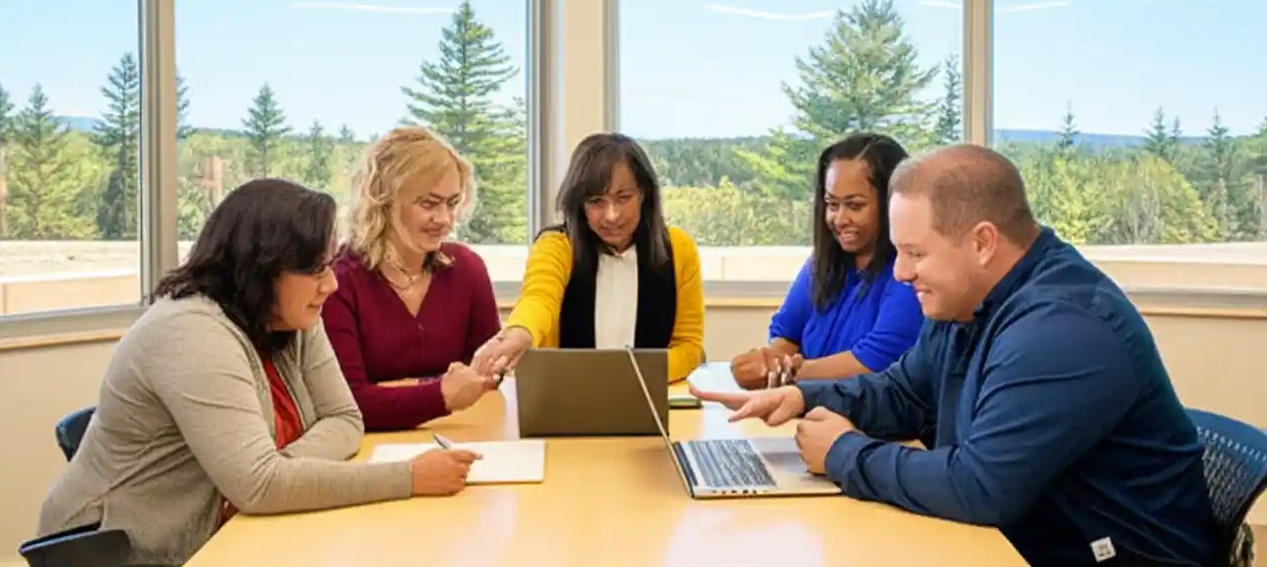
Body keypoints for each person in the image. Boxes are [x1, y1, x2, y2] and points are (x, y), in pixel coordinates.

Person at [692, 144, 1217, 567]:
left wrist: (843, 453)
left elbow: (980, 488)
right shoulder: (968, 303)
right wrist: (800, 396)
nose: (899, 272)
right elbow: (902, 392)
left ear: (983, 242)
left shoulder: (1063, 327)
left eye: (915, 253)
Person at [37, 180, 481, 566]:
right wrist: (408, 478)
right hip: (119, 551)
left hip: (222, 534)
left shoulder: (290, 314)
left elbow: (345, 420)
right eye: (315, 269)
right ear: (262, 269)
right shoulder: (190, 331)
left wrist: (275, 474)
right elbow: (259, 486)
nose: (331, 284)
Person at [474, 132, 704, 383]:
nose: (612, 215)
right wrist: (519, 333)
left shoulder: (679, 248)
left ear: (644, 194)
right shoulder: (556, 245)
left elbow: (689, 346)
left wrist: (628, 376)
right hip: (566, 399)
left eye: (623, 198)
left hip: (651, 399)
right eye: (596, 201)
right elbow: (539, 299)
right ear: (579, 204)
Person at [323, 127, 503, 431]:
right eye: (428, 204)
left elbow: (485, 379)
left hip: (461, 437)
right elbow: (349, 404)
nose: (445, 219)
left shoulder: (468, 269)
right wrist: (442, 392)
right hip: (372, 451)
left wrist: (398, 392)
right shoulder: (337, 283)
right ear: (384, 201)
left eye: (452, 202)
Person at [729, 133, 923, 389]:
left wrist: (786, 373)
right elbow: (787, 331)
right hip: (804, 411)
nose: (840, 219)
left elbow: (875, 360)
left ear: (891, 204)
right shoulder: (822, 263)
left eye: (855, 206)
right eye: (832, 204)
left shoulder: (909, 273)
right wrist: (770, 362)